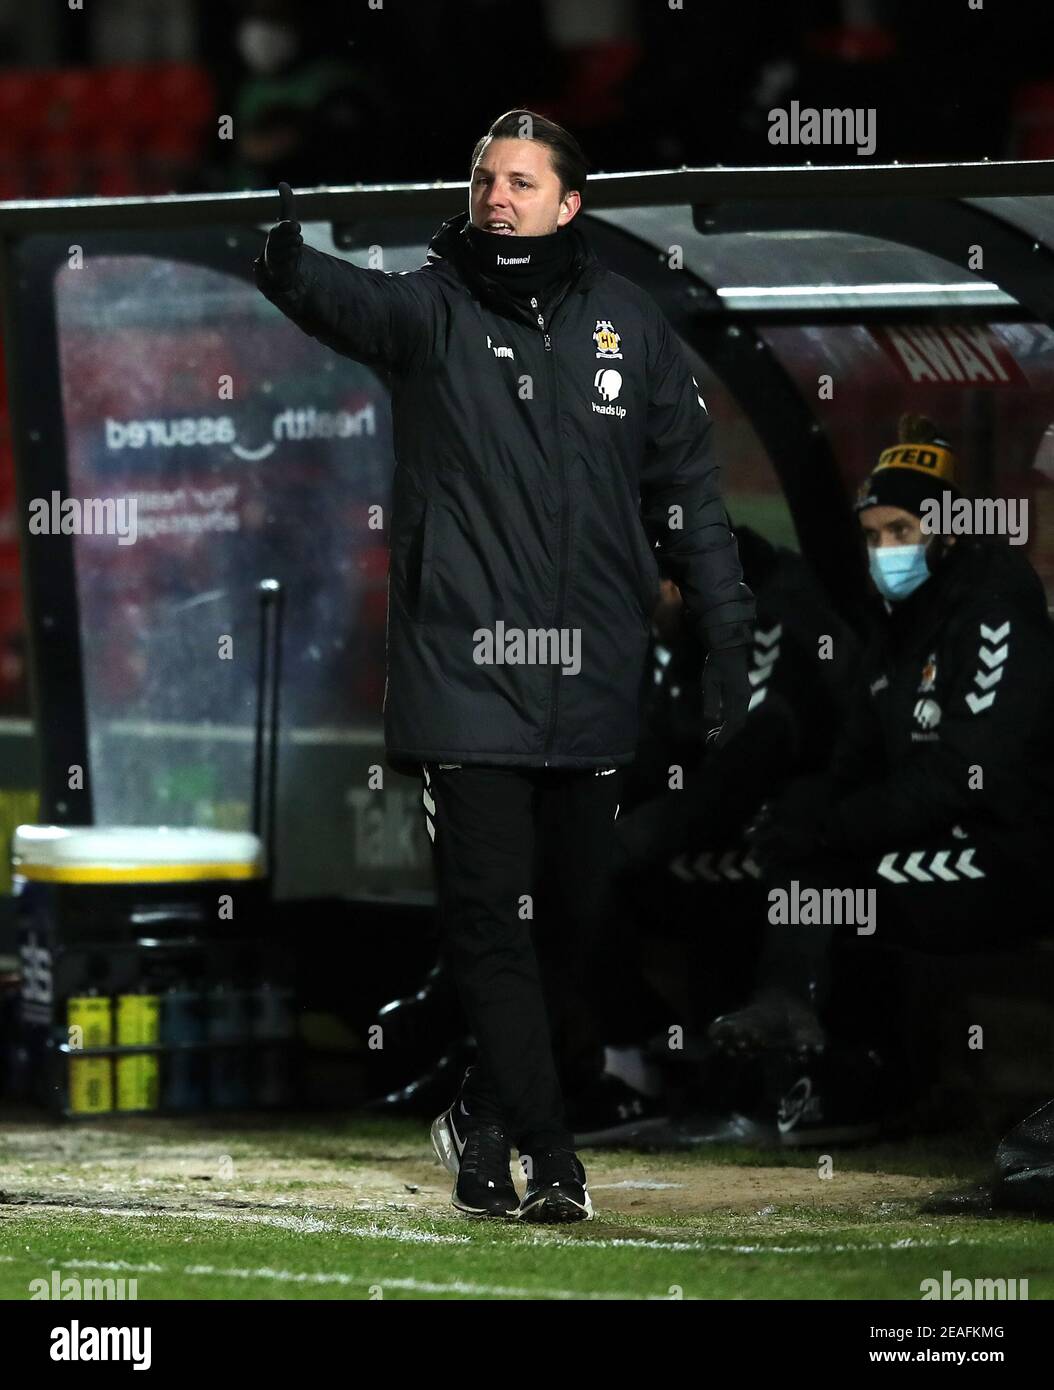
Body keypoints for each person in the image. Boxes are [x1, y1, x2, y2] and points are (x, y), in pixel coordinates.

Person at [255, 109, 755, 1221]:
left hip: (590, 689)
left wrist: (725, 637)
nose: (497, 195)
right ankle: (555, 1160)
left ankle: (482, 1116)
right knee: (491, 927)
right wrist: (289, 263)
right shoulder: (431, 310)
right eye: (485, 177)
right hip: (463, 686)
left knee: (570, 927)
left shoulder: (630, 328)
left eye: (521, 182)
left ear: (569, 203)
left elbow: (691, 499)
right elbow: (351, 300)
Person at [708, 414, 1054, 1143]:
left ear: (948, 530)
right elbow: (854, 765)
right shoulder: (897, 624)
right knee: (794, 853)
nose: (884, 551)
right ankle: (811, 1062)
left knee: (836, 875)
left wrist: (834, 826)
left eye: (901, 530)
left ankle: (818, 1040)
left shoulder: (995, 607)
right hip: (933, 841)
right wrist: (807, 815)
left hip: (1008, 855)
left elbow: (966, 774)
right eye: (873, 535)